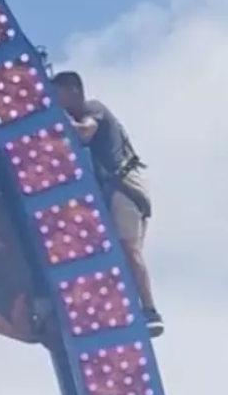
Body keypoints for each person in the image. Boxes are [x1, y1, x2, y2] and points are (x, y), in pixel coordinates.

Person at [52, 71, 163, 336]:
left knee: (128, 249)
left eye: (59, 94)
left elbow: (85, 133)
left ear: (74, 91)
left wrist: (57, 117)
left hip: (124, 189)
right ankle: (130, 311)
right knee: (117, 260)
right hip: (116, 191)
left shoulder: (93, 108)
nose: (56, 100)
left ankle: (150, 310)